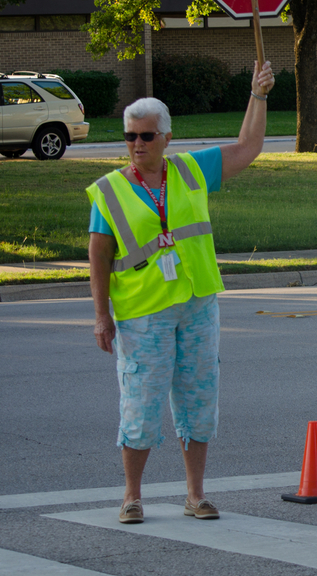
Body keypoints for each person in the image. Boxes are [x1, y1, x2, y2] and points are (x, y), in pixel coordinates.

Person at [87, 61, 276, 524]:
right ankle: (132, 496)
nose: (136, 145)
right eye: (130, 136)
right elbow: (98, 257)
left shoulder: (192, 170)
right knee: (141, 403)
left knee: (197, 398)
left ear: (166, 138)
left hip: (197, 304)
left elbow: (249, 147)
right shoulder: (109, 191)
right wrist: (101, 315)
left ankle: (195, 495)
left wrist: (258, 95)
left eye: (146, 136)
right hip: (143, 312)